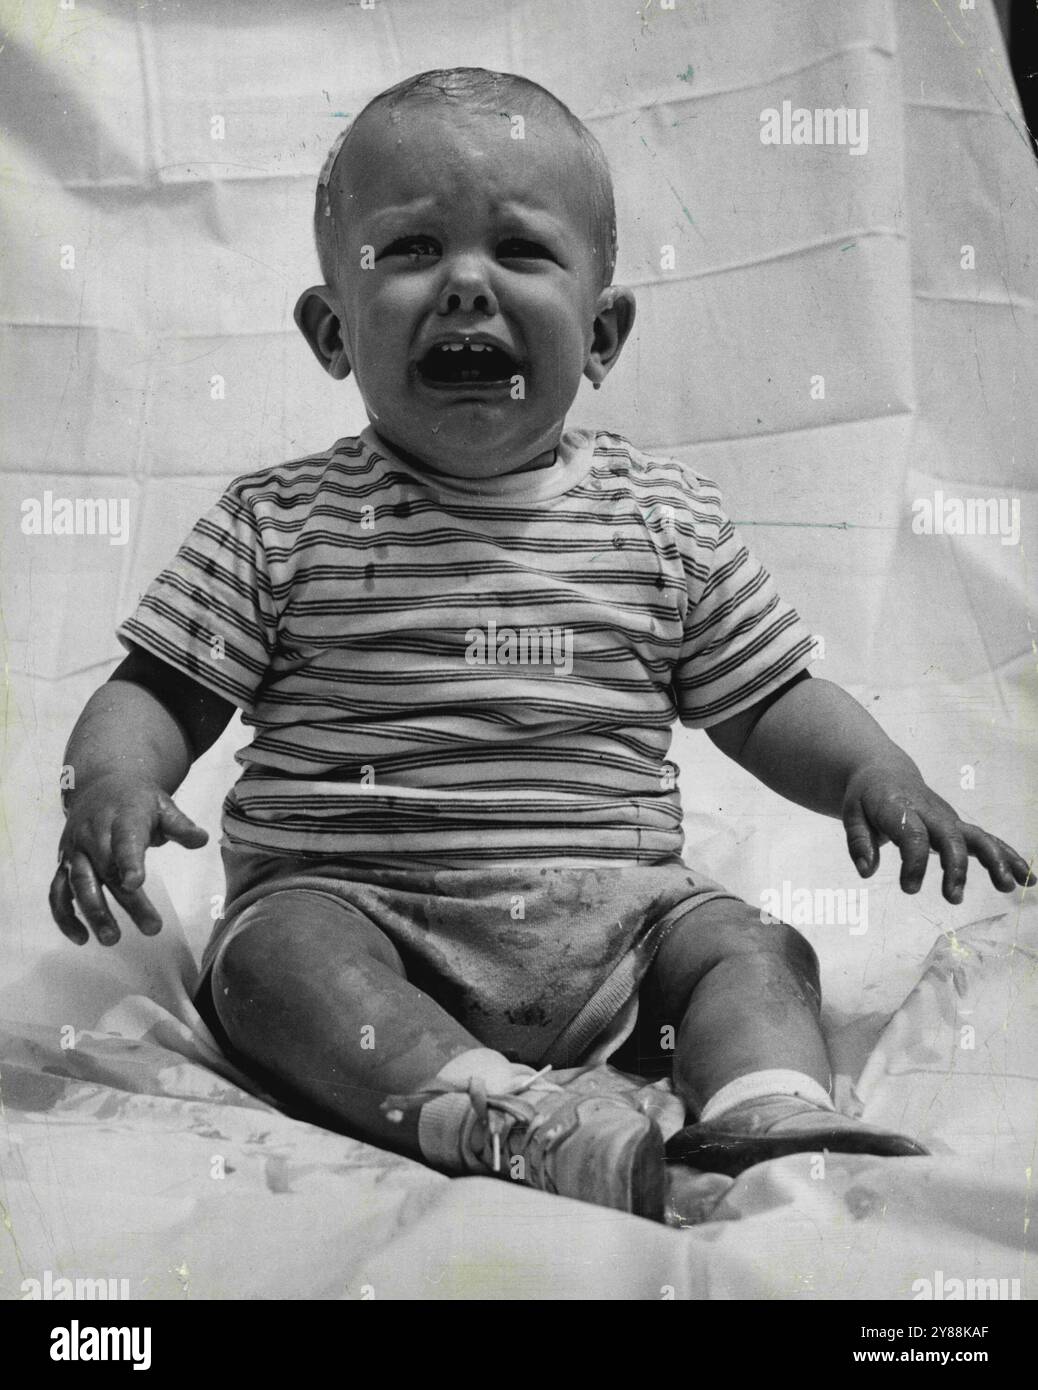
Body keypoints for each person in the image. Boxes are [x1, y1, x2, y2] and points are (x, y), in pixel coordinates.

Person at [50, 69, 1034, 1223]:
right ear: (331, 330)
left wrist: (880, 776)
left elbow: (769, 698)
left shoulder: (662, 520)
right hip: (362, 915)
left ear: (603, 331)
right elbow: (159, 689)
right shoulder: (278, 524)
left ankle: (764, 1108)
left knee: (751, 949)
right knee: (269, 969)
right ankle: (489, 1109)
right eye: (410, 249)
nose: (466, 284)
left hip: (619, 926)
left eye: (520, 252)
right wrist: (115, 779)